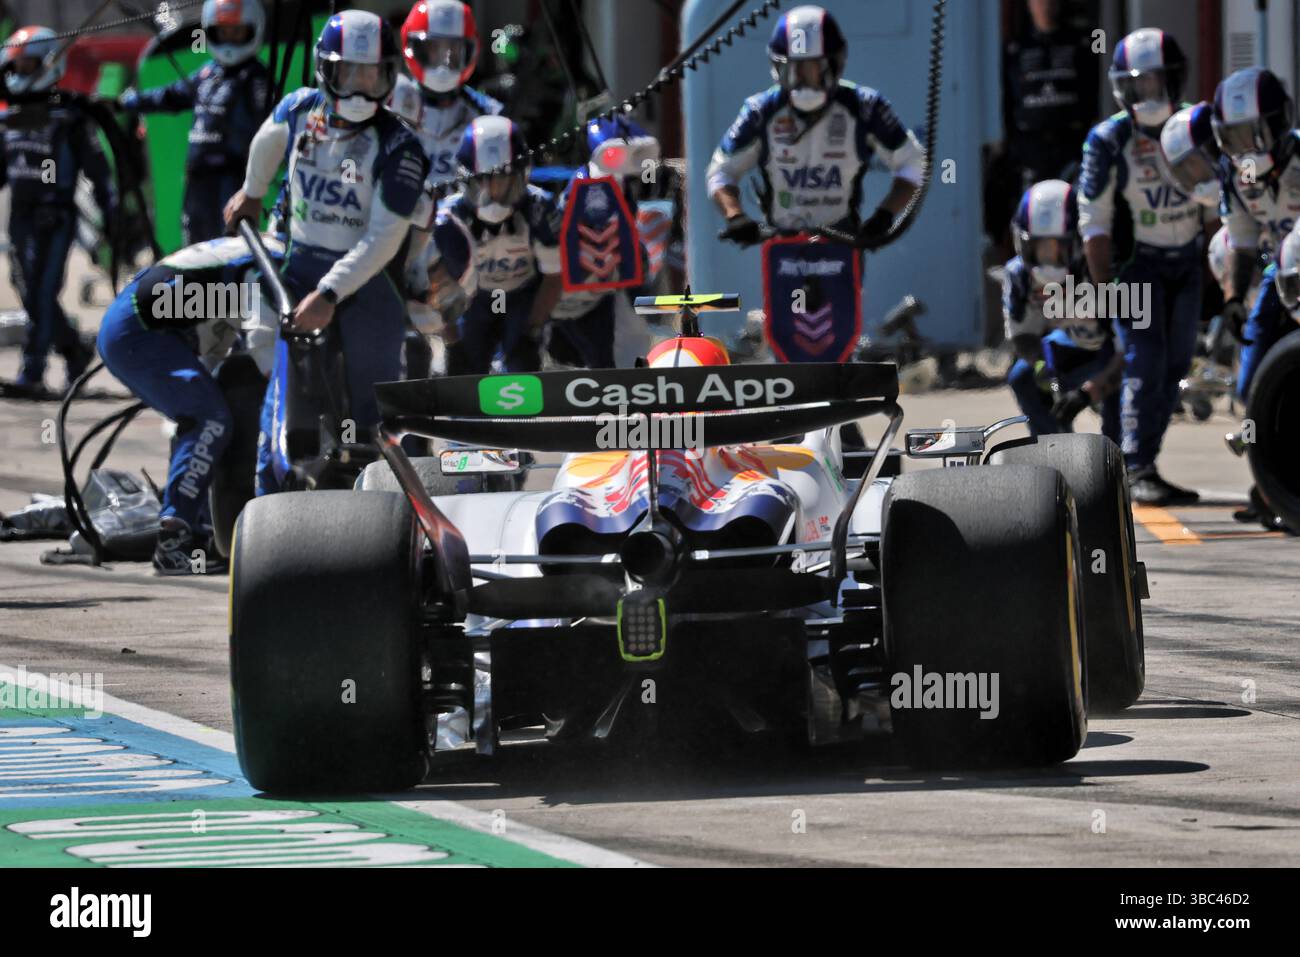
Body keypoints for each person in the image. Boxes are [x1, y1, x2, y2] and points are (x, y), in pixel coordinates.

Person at [222, 9, 429, 495]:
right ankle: (268, 506)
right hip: (294, 273)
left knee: (374, 410)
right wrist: (252, 191)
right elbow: (266, 142)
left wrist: (331, 294)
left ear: (389, 75)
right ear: (325, 69)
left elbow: (383, 239)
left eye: (372, 74)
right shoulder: (297, 109)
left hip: (367, 282)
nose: (359, 87)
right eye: (348, 73)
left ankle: (377, 510)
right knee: (280, 402)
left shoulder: (402, 147)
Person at [1078, 27, 1213, 505]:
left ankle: (1137, 460)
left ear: (1174, 80)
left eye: (1158, 81)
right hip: (1138, 266)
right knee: (1144, 360)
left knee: (1175, 364)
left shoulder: (1198, 125)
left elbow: (1218, 203)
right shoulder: (1109, 138)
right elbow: (1093, 219)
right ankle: (1135, 465)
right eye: (1140, 83)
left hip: (1188, 261)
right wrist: (1100, 292)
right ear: (1124, 86)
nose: (1150, 92)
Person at [96, 235, 280, 573]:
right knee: (210, 419)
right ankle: (174, 540)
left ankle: (189, 525)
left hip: (136, 328)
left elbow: (217, 339)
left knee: (204, 417)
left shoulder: (252, 250)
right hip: (139, 334)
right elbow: (261, 342)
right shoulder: (265, 263)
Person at [706, 4, 924, 249]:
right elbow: (721, 170)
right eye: (793, 70)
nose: (803, 81)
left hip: (843, 240)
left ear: (836, 64)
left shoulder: (866, 106)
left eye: (815, 69)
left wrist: (884, 216)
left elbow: (912, 162)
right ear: (777, 67)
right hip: (780, 242)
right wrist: (735, 216)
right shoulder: (759, 110)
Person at [0, 25, 115, 396]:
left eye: (29, 65)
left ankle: (32, 373)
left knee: (42, 289)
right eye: (15, 66)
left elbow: (99, 171)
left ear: (50, 64)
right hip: (20, 215)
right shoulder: (9, 117)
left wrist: (110, 214)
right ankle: (74, 350)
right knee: (29, 291)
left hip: (56, 216)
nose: (20, 73)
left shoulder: (70, 116)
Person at [390, 0, 502, 376]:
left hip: (463, 232)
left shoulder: (488, 113)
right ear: (414, 48)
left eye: (453, 51)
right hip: (399, 226)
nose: (443, 60)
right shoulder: (389, 102)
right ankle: (411, 359)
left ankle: (463, 359)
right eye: (433, 49)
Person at [119, 0, 270, 246]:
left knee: (229, 251)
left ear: (253, 30)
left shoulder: (256, 78)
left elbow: (270, 124)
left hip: (232, 179)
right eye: (223, 32)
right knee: (195, 250)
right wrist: (128, 101)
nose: (229, 39)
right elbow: (169, 96)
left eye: (237, 32)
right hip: (197, 179)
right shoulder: (207, 73)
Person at [427, 115, 563, 374]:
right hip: (473, 301)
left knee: (523, 366)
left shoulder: (540, 208)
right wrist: (452, 340)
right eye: (483, 182)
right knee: (464, 373)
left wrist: (533, 329)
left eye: (504, 181)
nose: (494, 193)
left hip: (523, 295)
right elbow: (439, 283)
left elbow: (554, 275)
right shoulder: (448, 218)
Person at [1005, 180, 1121, 439]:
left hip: (1110, 351)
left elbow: (1131, 353)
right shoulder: (1018, 276)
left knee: (1121, 398)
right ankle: (1052, 446)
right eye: (1040, 247)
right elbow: (1023, 336)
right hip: (1071, 343)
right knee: (1022, 377)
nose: (1049, 257)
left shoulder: (1102, 270)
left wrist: (1090, 391)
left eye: (1059, 247)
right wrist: (1039, 364)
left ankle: (1120, 458)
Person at [1211, 67, 1300, 401]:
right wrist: (1232, 299)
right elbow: (1242, 240)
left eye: (1253, 133)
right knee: (1250, 384)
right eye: (1235, 137)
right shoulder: (1232, 175)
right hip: (1282, 273)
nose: (1244, 148)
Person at [549, 115, 661, 369]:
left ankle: (630, 387)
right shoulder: (586, 184)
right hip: (580, 282)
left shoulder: (623, 185)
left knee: (622, 340)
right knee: (583, 351)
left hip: (612, 281)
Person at [1002, 0, 1099, 190]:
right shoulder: (1015, 48)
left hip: (1073, 146)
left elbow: (1093, 91)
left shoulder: (1081, 43)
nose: (1045, 5)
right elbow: (1007, 100)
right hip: (1031, 150)